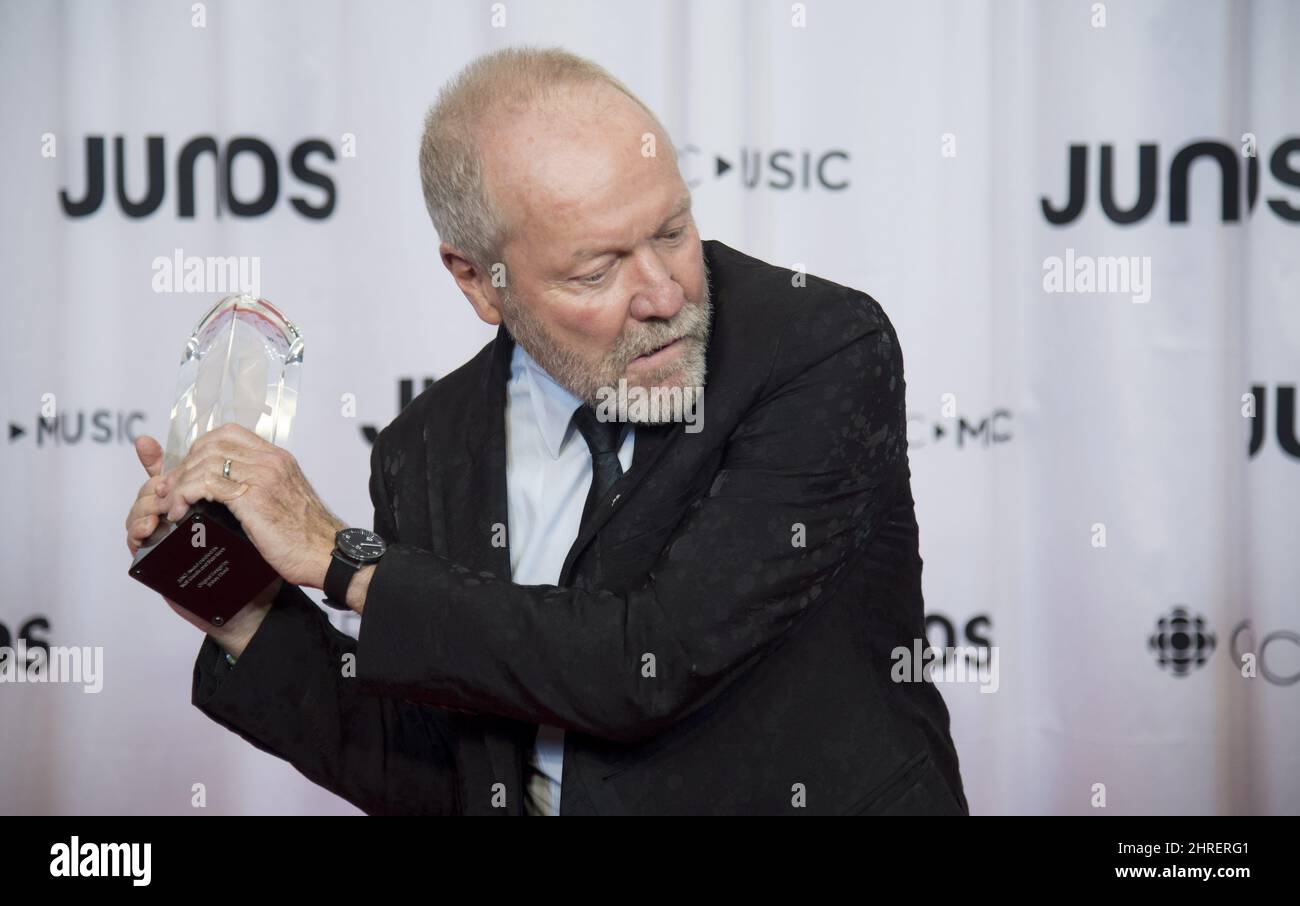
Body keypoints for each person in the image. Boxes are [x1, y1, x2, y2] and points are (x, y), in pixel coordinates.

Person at [124, 46, 967, 816]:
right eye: (596, 269)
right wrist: (239, 604)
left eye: (673, 232)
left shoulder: (818, 348)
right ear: (477, 280)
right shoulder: (426, 448)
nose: (665, 295)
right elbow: (439, 768)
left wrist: (339, 555)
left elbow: (652, 662)